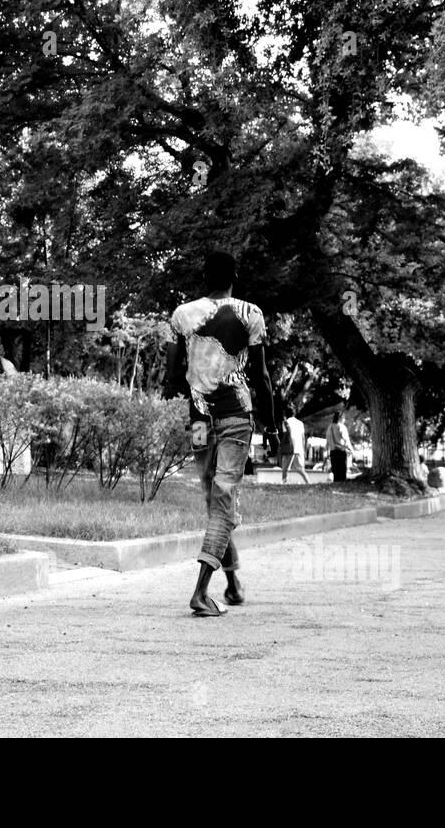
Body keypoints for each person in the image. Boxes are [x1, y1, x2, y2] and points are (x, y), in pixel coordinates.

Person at [164, 250, 275, 618]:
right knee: (222, 500)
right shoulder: (251, 314)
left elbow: (172, 372)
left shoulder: (181, 315)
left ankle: (232, 584)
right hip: (236, 420)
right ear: (233, 276)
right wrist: (272, 426)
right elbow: (260, 377)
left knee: (216, 501)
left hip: (198, 422)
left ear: (204, 276)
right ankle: (200, 593)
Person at [279, 405, 310, 484]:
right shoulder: (300, 423)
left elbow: (285, 436)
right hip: (299, 448)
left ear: (286, 413)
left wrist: (281, 446)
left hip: (289, 447)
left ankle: (284, 483)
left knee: (285, 468)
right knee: (300, 469)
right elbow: (303, 438)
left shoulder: (286, 422)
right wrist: (303, 449)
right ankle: (308, 482)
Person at [326, 412, 354, 482]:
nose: (344, 420)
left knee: (335, 472)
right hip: (341, 451)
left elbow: (327, 442)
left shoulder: (329, 427)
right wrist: (352, 450)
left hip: (332, 452)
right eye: (344, 418)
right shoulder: (341, 427)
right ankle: (342, 485)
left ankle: (336, 484)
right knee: (342, 471)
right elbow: (347, 441)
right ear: (341, 418)